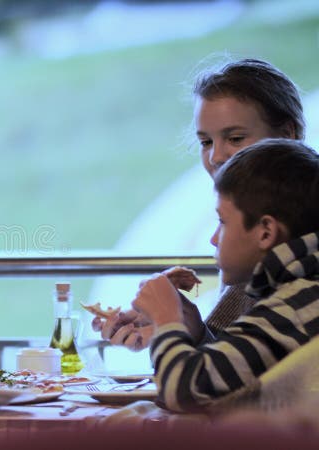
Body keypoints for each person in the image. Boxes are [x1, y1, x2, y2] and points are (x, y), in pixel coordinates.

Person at [96, 58, 306, 350]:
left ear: (287, 134)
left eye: (234, 138)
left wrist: (171, 331)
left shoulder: (294, 235)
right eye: (206, 142)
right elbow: (239, 364)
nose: (216, 156)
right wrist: (182, 328)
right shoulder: (251, 221)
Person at [132, 138, 319, 412]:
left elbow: (183, 392)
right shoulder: (297, 291)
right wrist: (194, 332)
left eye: (222, 221)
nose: (214, 239)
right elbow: (234, 375)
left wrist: (166, 321)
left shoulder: (295, 306)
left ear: (265, 232)